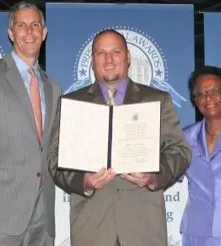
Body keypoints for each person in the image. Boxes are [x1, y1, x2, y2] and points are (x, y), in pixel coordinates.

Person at [48, 29, 190, 246]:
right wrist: (82, 180)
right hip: (91, 228)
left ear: (128, 57)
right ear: (93, 60)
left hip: (143, 229)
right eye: (101, 53)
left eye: (116, 51)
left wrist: (153, 176)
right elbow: (55, 159)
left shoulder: (157, 99)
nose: (109, 60)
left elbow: (179, 152)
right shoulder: (72, 103)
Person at [0, 1, 61, 245]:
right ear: (11, 33)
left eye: (35, 25)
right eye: (21, 25)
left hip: (43, 217)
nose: (29, 32)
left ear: (44, 32)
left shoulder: (54, 87)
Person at [180, 65, 221, 246]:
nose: (208, 98)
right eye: (201, 94)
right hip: (195, 233)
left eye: (214, 91)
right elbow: (166, 173)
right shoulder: (184, 137)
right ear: (195, 101)